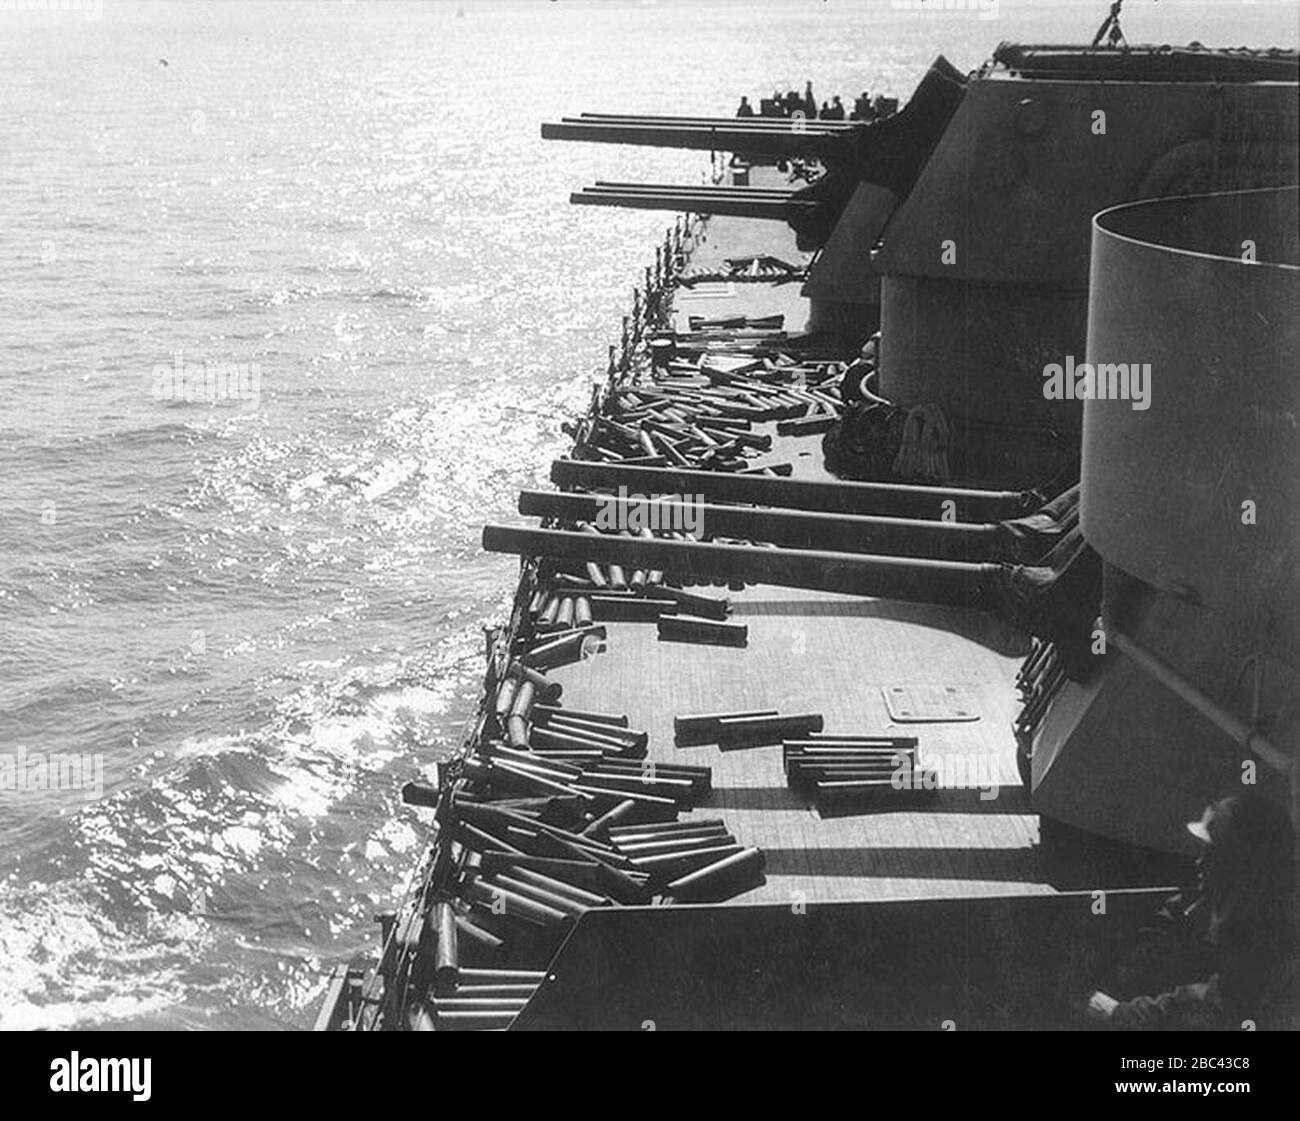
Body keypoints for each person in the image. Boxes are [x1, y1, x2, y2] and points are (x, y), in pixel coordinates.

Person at [1086, 792, 1297, 1030]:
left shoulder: (1276, 925)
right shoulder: (1205, 905)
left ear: (1241, 861)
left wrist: (1122, 1013)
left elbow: (1224, 1002)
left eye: (1213, 852)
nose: (1200, 862)